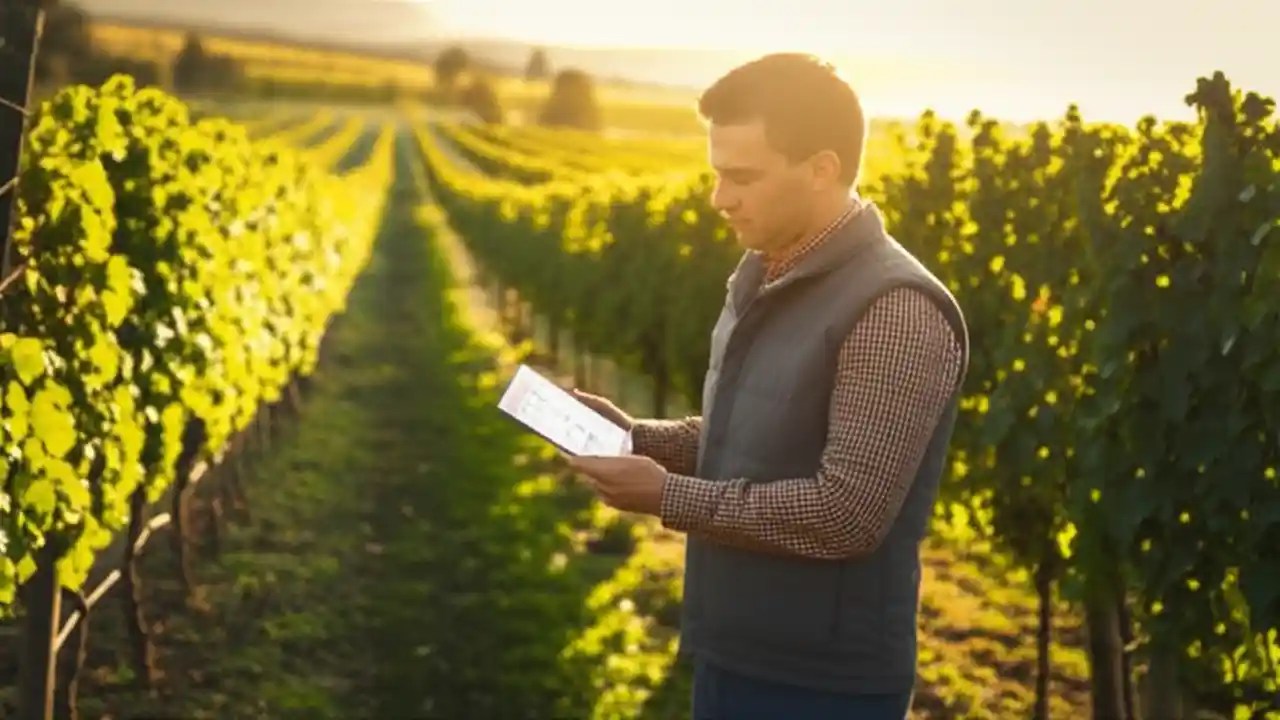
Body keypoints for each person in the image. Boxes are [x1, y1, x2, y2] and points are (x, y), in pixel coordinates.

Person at [566, 52, 969, 720]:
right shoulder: (765, 275)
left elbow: (847, 514)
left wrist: (668, 497)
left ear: (822, 170)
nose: (719, 198)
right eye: (717, 174)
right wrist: (638, 437)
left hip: (822, 683)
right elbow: (753, 436)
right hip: (739, 650)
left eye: (741, 177)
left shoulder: (894, 311)